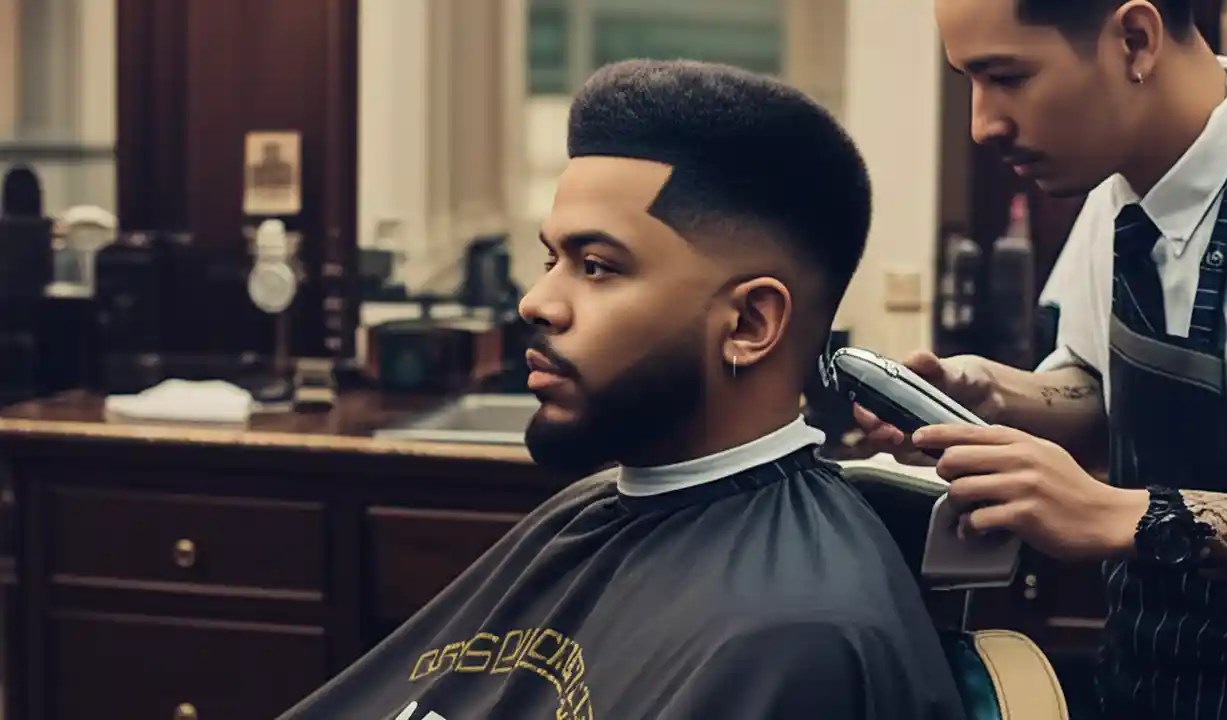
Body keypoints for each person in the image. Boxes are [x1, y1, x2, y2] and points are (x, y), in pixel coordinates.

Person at [280, 60, 966, 720]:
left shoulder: (798, 638)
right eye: (552, 259)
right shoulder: (592, 509)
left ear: (751, 323)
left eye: (598, 266)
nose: (537, 301)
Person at [856, 1, 1227, 718]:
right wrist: (991, 395)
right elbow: (1097, 389)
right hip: (1145, 682)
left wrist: (1124, 516)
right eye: (969, 81)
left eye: (1008, 77)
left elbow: (1118, 507)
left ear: (1135, 40)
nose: (982, 123)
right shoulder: (1117, 189)